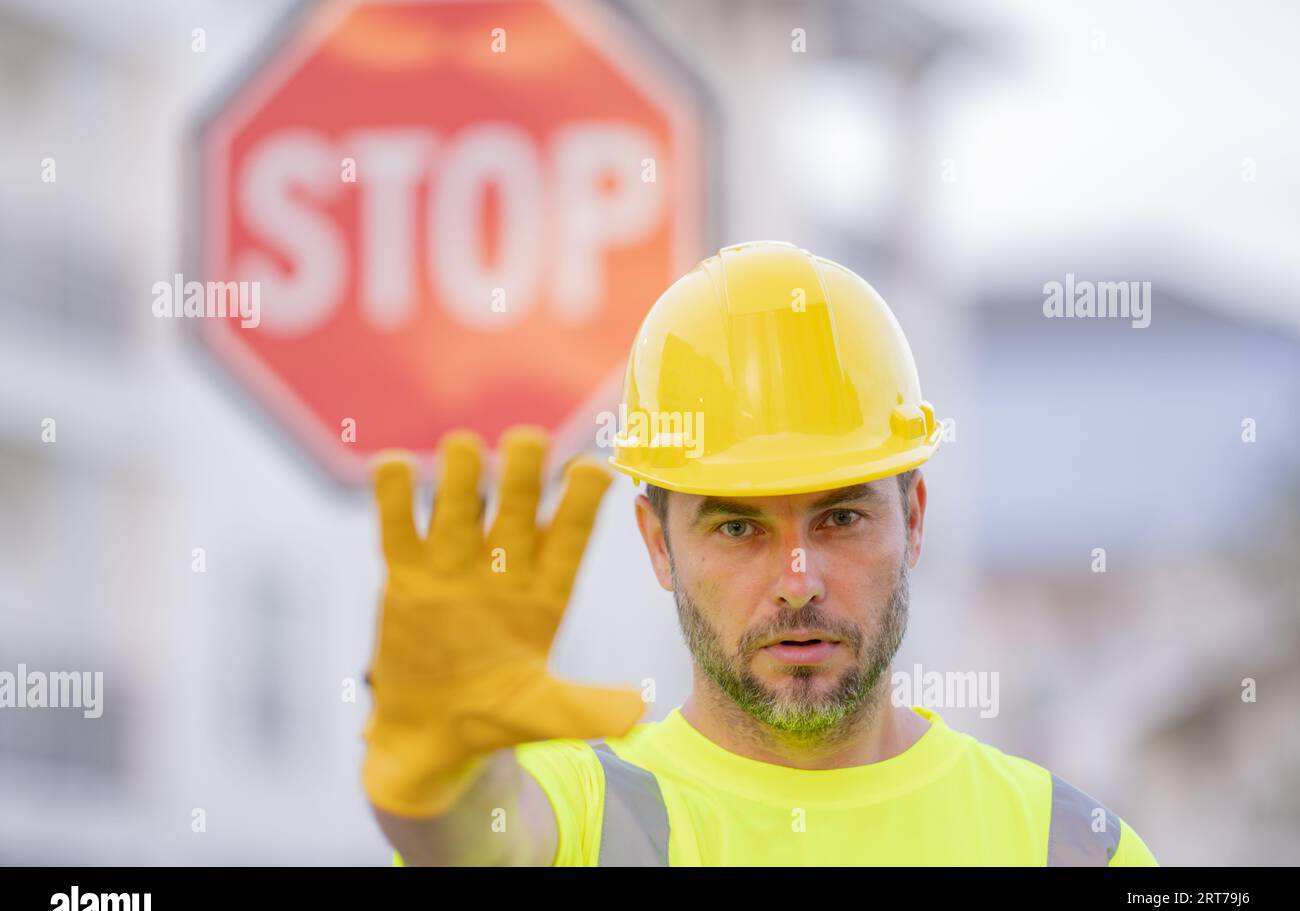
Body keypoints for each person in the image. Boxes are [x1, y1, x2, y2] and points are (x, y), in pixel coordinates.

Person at [361, 241, 1158, 866]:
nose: (796, 582)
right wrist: (435, 781)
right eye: (737, 529)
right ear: (657, 543)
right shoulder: (588, 813)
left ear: (913, 520)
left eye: (840, 517)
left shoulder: (1072, 849)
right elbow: (483, 844)